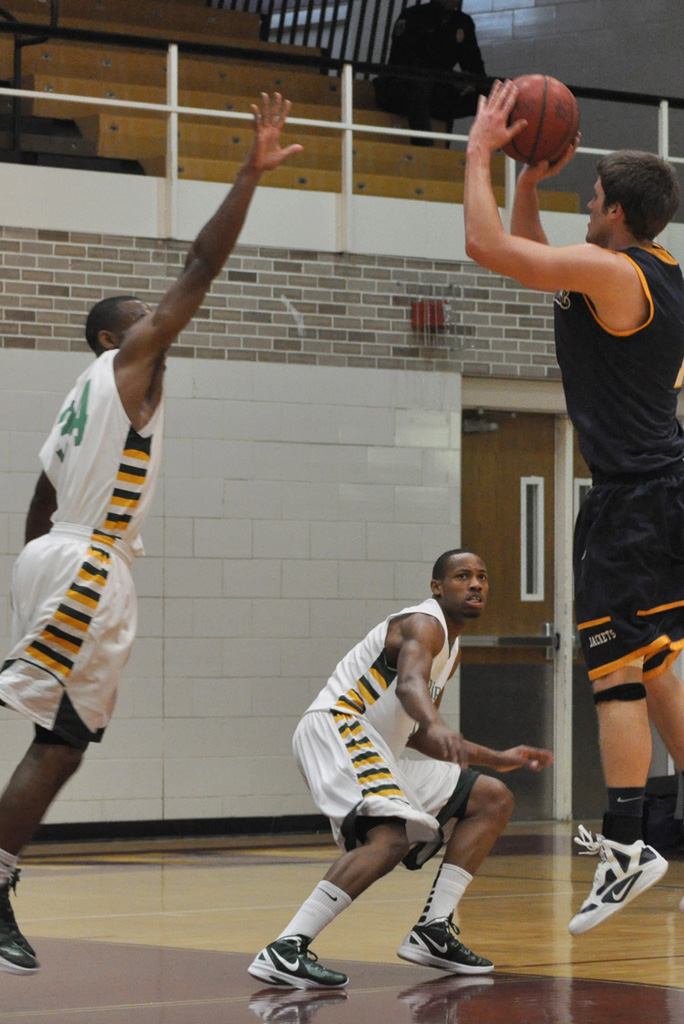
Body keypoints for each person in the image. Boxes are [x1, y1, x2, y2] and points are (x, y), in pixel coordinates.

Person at [0, 94, 303, 976]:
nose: (157, 321)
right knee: (39, 721)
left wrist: (40, 569)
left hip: (59, 553)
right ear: (112, 333)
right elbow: (202, 266)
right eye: (141, 312)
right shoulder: (125, 364)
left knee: (63, 738)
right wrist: (249, 173)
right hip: (87, 561)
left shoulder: (76, 402)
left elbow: (36, 503)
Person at [462, 79, 684, 936]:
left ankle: (629, 842)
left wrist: (483, 150)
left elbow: (489, 250)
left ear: (617, 214)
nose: (582, 206)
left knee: (614, 677)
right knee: (658, 664)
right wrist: (530, 185)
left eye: (590, 197)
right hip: (645, 497)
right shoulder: (646, 270)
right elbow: (538, 268)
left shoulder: (615, 271)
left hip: (636, 502)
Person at [248, 549, 553, 989]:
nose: (476, 584)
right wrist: (435, 720)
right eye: (462, 576)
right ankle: (286, 947)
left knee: (491, 797)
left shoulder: (453, 648)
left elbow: (418, 735)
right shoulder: (423, 624)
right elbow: (411, 687)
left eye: (482, 577)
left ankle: (433, 930)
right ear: (437, 587)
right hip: (340, 726)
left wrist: (499, 757)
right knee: (389, 837)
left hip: (380, 747)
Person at [374, 0, 488, 146]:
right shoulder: (413, 15)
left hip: (438, 89)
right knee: (420, 85)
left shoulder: (462, 22)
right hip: (403, 88)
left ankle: (494, 148)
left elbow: (474, 65)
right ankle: (425, 149)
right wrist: (449, 78)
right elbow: (404, 60)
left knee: (495, 92)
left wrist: (471, 82)